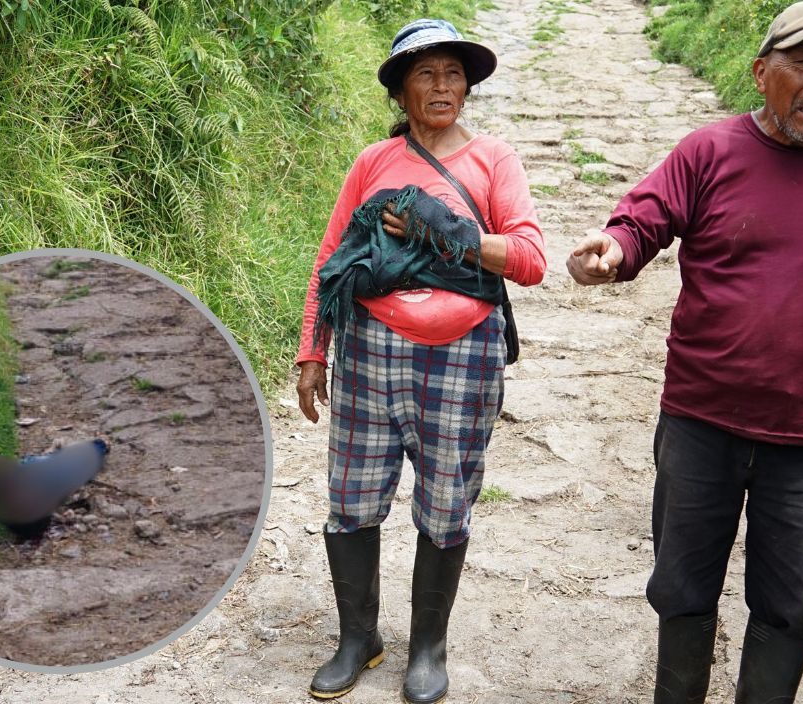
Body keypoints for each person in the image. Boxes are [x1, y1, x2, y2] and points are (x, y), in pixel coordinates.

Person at [565, 1, 803, 702]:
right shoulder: (710, 151)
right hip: (702, 417)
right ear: (762, 72)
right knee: (683, 590)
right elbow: (647, 216)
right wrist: (614, 248)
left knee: (787, 607)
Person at [295, 18, 545, 704]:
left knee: (445, 504)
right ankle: (358, 640)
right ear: (401, 91)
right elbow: (331, 262)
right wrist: (312, 351)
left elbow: (529, 260)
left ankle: (428, 649)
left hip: (464, 356)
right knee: (351, 501)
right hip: (370, 352)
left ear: (467, 85)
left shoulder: (494, 159)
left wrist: (454, 234)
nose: (443, 87)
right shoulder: (373, 163)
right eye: (426, 74)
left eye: (453, 74)